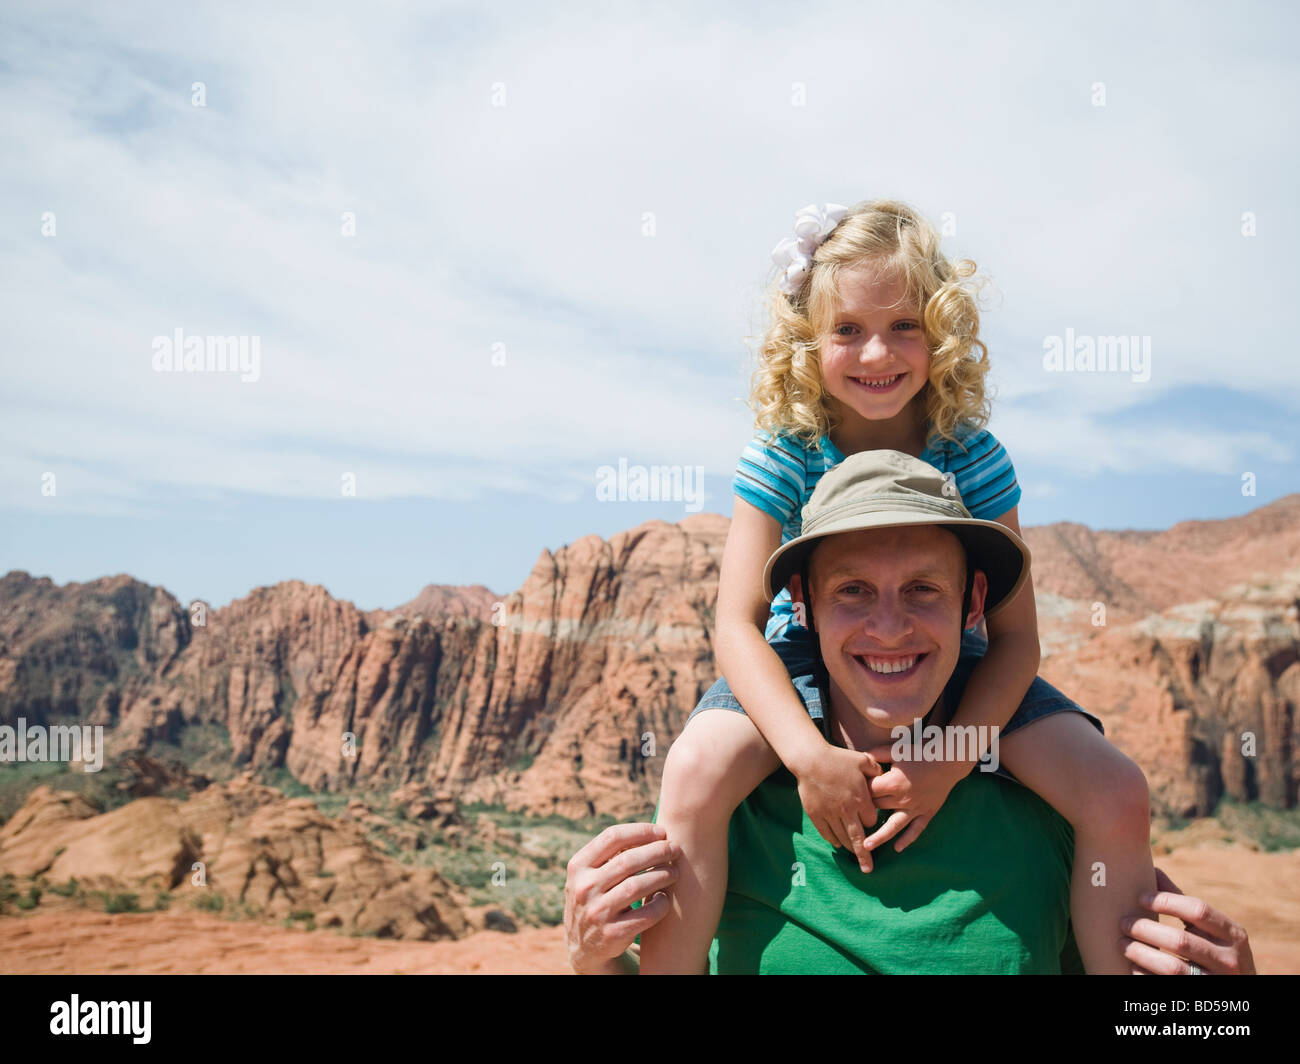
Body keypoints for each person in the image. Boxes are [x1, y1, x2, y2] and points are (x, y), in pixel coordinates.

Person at [640, 199, 1156, 975]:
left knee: (1114, 789)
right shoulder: (785, 451)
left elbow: (1014, 637)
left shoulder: (973, 455)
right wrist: (807, 755)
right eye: (846, 329)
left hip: (962, 666)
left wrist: (949, 758)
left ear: (940, 334)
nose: (876, 351)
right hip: (802, 658)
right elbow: (738, 624)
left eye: (904, 325)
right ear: (808, 342)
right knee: (694, 774)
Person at [565, 454, 1257, 976]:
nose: (888, 627)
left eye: (923, 589)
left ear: (974, 601)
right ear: (803, 605)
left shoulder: (1064, 814)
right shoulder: (727, 809)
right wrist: (592, 961)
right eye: (854, 590)